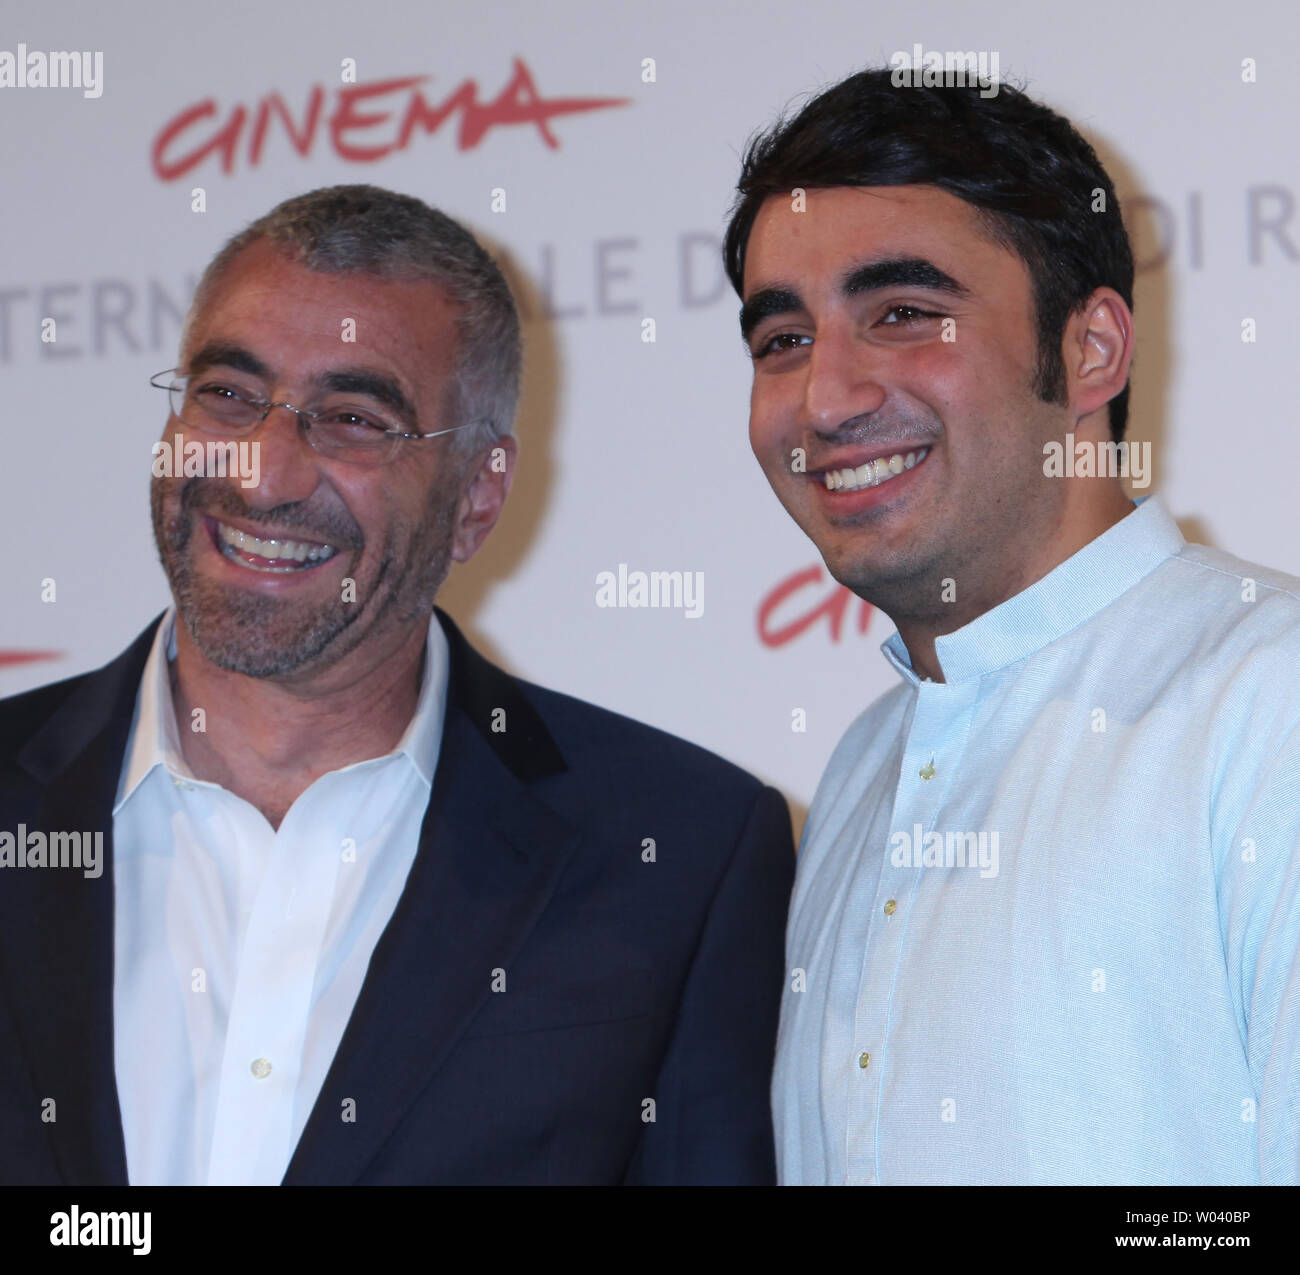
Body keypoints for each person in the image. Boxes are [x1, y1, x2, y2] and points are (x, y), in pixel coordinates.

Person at [0, 184, 794, 1186]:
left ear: (477, 493)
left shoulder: (677, 858)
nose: (263, 472)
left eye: (354, 418)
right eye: (229, 395)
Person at [724, 69, 1300, 1185]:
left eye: (902, 315)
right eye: (781, 339)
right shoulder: (859, 767)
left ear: (1090, 352)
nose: (825, 400)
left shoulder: (1272, 699)